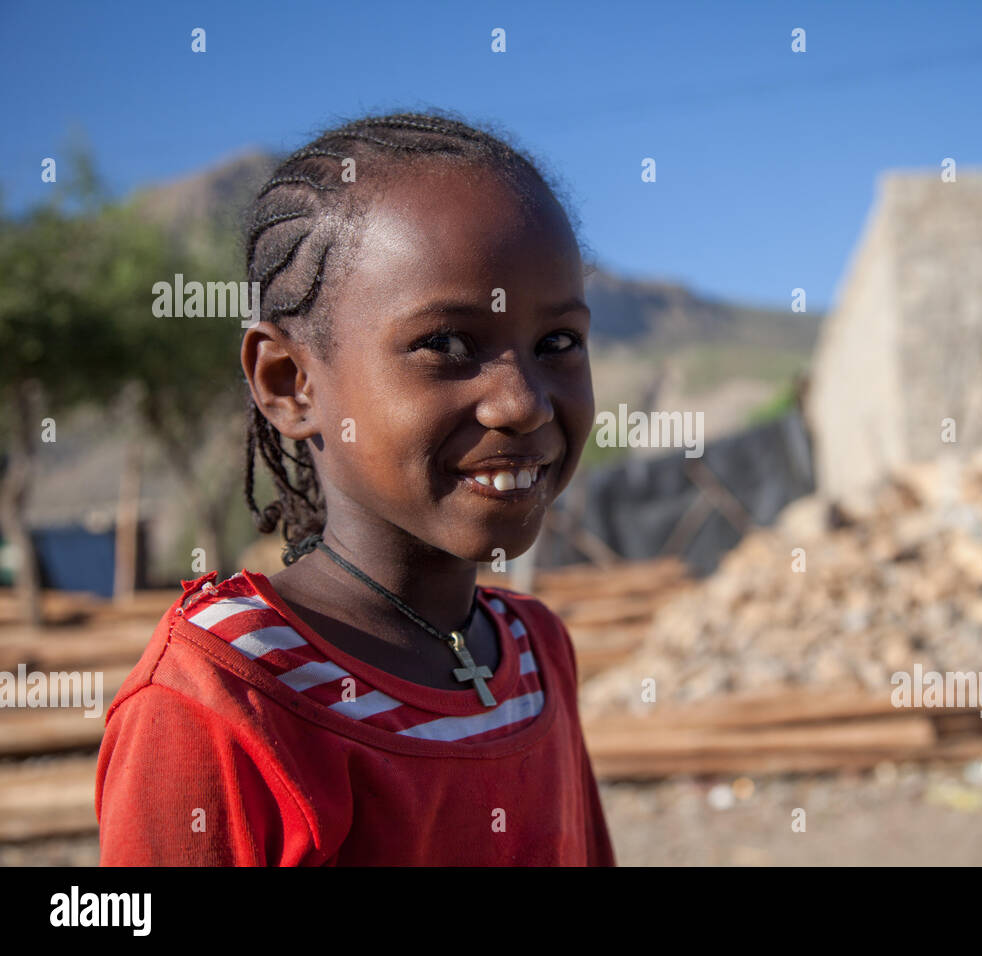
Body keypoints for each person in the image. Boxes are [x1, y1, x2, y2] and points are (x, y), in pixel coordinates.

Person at [95, 111, 615, 865]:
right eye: (446, 345)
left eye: (557, 343)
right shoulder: (223, 696)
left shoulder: (535, 654)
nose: (522, 402)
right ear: (290, 383)